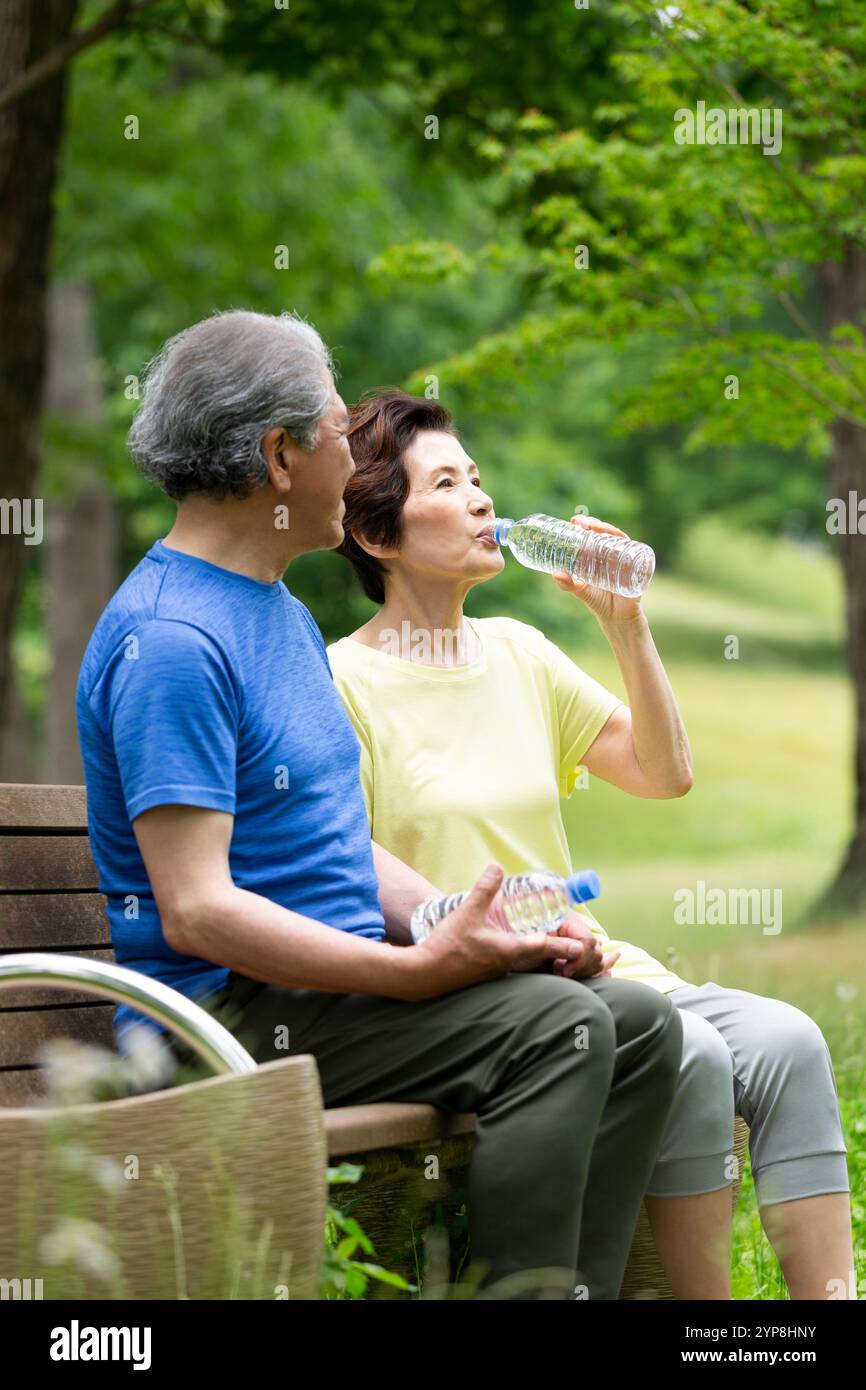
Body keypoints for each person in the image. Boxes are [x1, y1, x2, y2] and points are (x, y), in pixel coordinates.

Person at [74, 309, 684, 1301]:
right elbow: (195, 909)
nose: (351, 455)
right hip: (227, 1022)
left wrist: (476, 925)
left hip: (324, 999)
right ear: (280, 456)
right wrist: (413, 977)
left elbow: (336, 847)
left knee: (636, 1021)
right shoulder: (174, 639)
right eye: (332, 425)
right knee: (556, 1027)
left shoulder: (269, 608)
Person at [327, 386, 854, 1301]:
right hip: (496, 998)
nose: (484, 500)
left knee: (792, 1038)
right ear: (377, 535)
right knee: (694, 1055)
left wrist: (626, 622)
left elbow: (663, 770)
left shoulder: (521, 652)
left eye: (478, 477)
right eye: (447, 484)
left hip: (604, 966)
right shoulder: (343, 683)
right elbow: (359, 876)